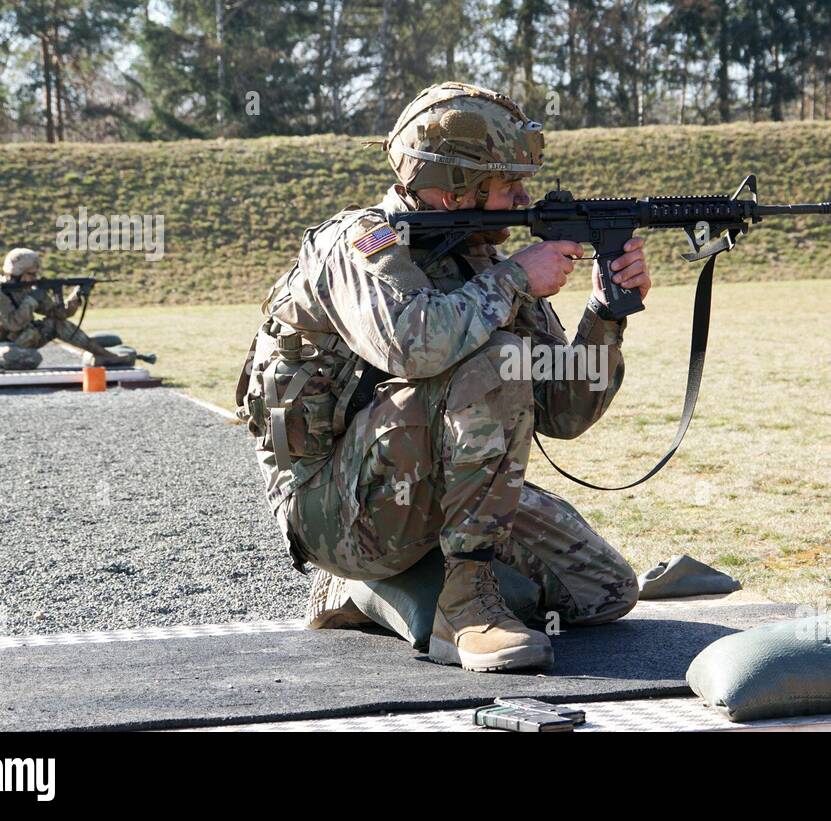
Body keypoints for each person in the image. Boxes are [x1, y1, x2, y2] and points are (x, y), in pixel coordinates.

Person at [237, 82, 651, 672]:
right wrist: (511, 282)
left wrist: (604, 315)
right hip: (333, 505)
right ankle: (459, 607)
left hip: (422, 485)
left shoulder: (483, 255)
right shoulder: (359, 245)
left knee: (604, 592)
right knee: (495, 360)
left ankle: (393, 588)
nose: (524, 197)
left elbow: (563, 415)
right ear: (458, 190)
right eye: (509, 185)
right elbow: (412, 347)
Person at [0, 248, 155, 370]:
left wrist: (76, 295)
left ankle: (104, 356)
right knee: (29, 359)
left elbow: (60, 314)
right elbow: (13, 324)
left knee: (55, 324)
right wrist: (31, 300)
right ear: (18, 273)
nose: (34, 278)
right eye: (31, 274)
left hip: (16, 339)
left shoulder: (27, 289)